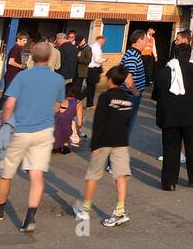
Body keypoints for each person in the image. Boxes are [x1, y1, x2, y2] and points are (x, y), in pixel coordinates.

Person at [0, 41, 66, 232]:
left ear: (32, 57)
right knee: (36, 174)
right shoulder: (58, 80)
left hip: (20, 130)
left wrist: (4, 123)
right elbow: (57, 106)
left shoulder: (23, 76)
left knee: (6, 172)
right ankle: (29, 219)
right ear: (51, 58)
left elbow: (9, 103)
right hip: (44, 132)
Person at [74, 66, 137, 227]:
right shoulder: (127, 99)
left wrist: (94, 144)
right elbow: (128, 121)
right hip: (121, 142)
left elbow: (99, 122)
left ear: (110, 79)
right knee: (121, 175)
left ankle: (85, 208)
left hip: (104, 141)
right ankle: (120, 210)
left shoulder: (105, 97)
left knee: (93, 175)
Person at [153, 30, 193, 191]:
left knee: (171, 150)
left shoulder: (163, 72)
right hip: (192, 116)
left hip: (169, 116)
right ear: (189, 55)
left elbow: (156, 96)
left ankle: (169, 182)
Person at [119, 32, 149, 142]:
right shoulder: (132, 55)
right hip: (130, 96)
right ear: (139, 40)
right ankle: (119, 150)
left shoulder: (134, 54)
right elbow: (127, 78)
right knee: (126, 126)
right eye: (145, 39)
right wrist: (136, 93)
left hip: (131, 95)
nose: (147, 42)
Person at [52, 82, 83, 153]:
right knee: (75, 121)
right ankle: (65, 143)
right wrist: (77, 131)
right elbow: (79, 123)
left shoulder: (57, 100)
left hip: (51, 131)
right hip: (66, 131)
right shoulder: (78, 102)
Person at [83, 33, 107, 108]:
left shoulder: (92, 46)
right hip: (94, 69)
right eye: (103, 41)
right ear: (100, 40)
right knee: (90, 88)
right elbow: (97, 60)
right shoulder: (97, 48)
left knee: (91, 88)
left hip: (91, 69)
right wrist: (104, 59)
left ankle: (90, 104)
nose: (104, 42)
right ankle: (78, 98)